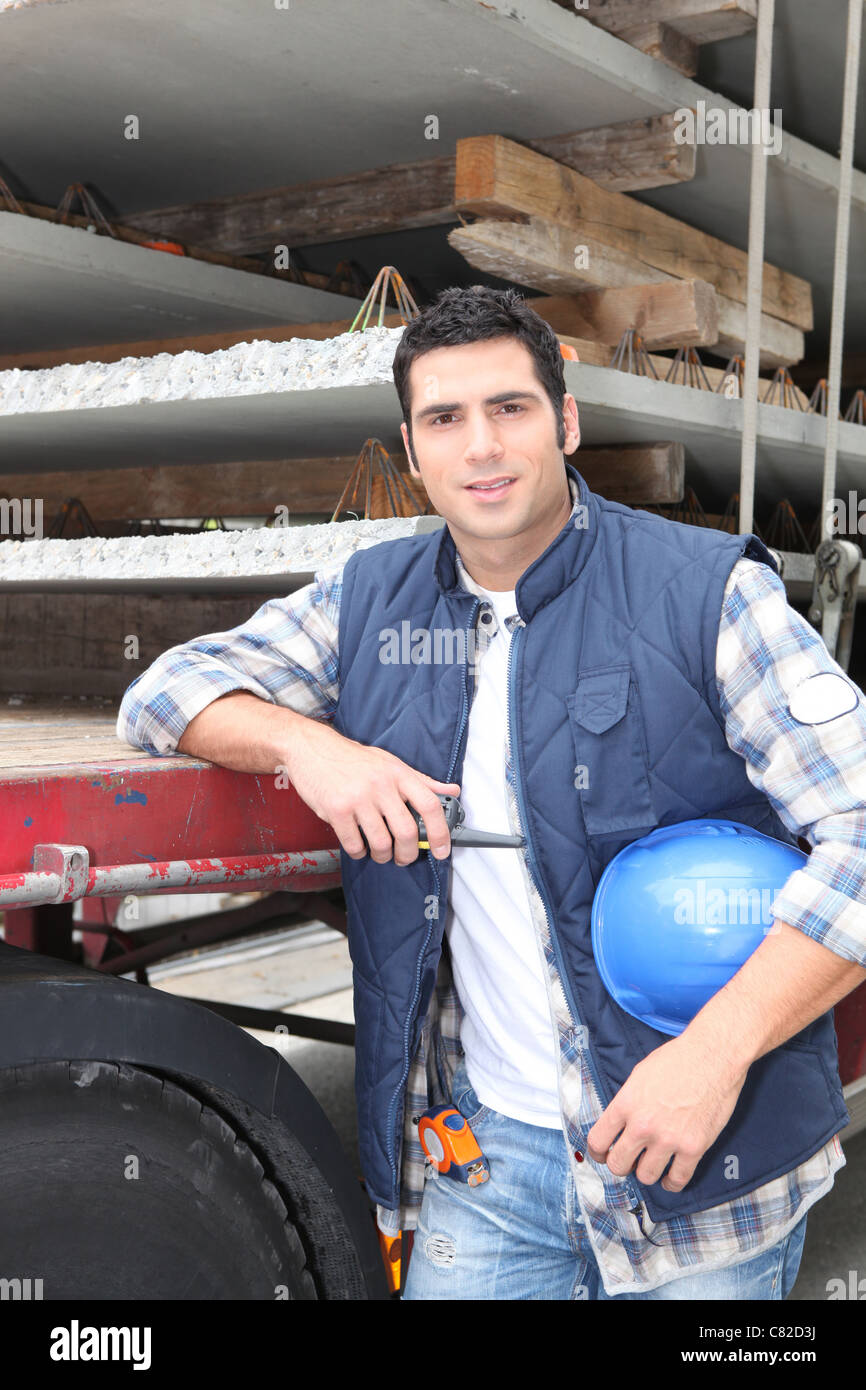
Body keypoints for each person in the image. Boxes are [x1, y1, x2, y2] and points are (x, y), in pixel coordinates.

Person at [117, 286, 866, 1300]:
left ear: (565, 421)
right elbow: (166, 689)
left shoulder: (704, 594)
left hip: (699, 1166)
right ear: (409, 449)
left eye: (509, 408)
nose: (480, 446)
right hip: (486, 1167)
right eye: (444, 418)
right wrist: (310, 747)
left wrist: (712, 1060)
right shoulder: (368, 598)